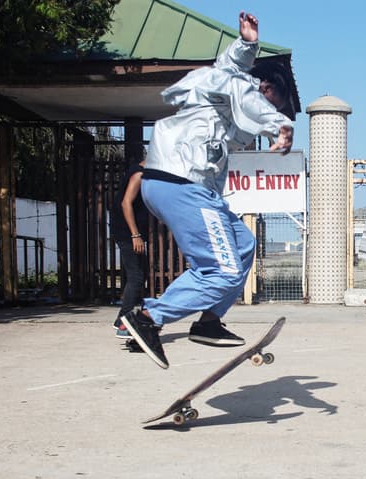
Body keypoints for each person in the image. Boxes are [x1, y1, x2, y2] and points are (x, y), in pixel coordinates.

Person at [121, 12, 294, 369]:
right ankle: (148, 319)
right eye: (273, 103)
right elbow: (244, 90)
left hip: (181, 186)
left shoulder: (219, 84)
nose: (270, 111)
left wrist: (247, 44)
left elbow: (229, 64)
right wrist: (278, 123)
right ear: (267, 89)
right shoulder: (239, 88)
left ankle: (209, 322)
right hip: (182, 183)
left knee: (244, 246)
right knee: (224, 271)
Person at [111, 160, 148, 338]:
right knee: (136, 276)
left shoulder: (140, 172)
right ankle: (124, 322)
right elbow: (126, 203)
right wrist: (135, 235)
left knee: (141, 275)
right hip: (128, 234)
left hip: (130, 232)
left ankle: (123, 320)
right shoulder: (139, 175)